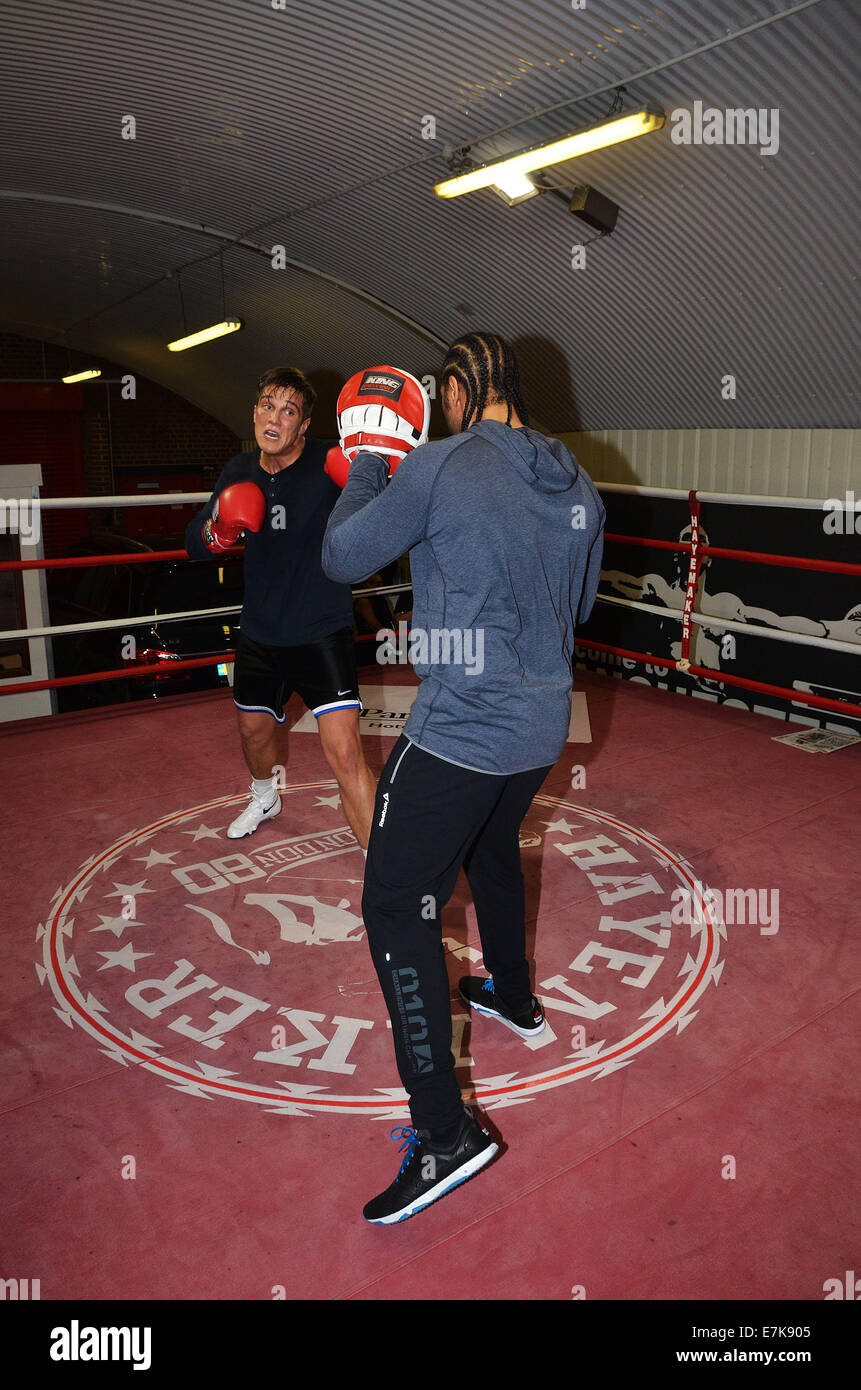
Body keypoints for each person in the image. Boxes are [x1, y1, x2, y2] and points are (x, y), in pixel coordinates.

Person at [323, 332, 605, 1223]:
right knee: (493, 852)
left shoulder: (442, 464)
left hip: (458, 734)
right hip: (541, 727)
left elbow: (342, 558)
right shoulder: (580, 483)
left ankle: (445, 1134)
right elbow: (582, 606)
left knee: (391, 901)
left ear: (454, 389)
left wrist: (371, 460)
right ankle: (515, 998)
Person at [185, 366, 377, 845]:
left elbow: (382, 523)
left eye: (288, 411)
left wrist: (366, 484)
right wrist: (219, 530)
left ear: (304, 424)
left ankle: (387, 870)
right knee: (253, 733)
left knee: (345, 753)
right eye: (267, 406)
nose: (274, 418)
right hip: (261, 632)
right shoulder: (238, 470)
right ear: (254, 413)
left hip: (322, 630)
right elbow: (193, 540)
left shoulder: (328, 464)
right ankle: (264, 794)